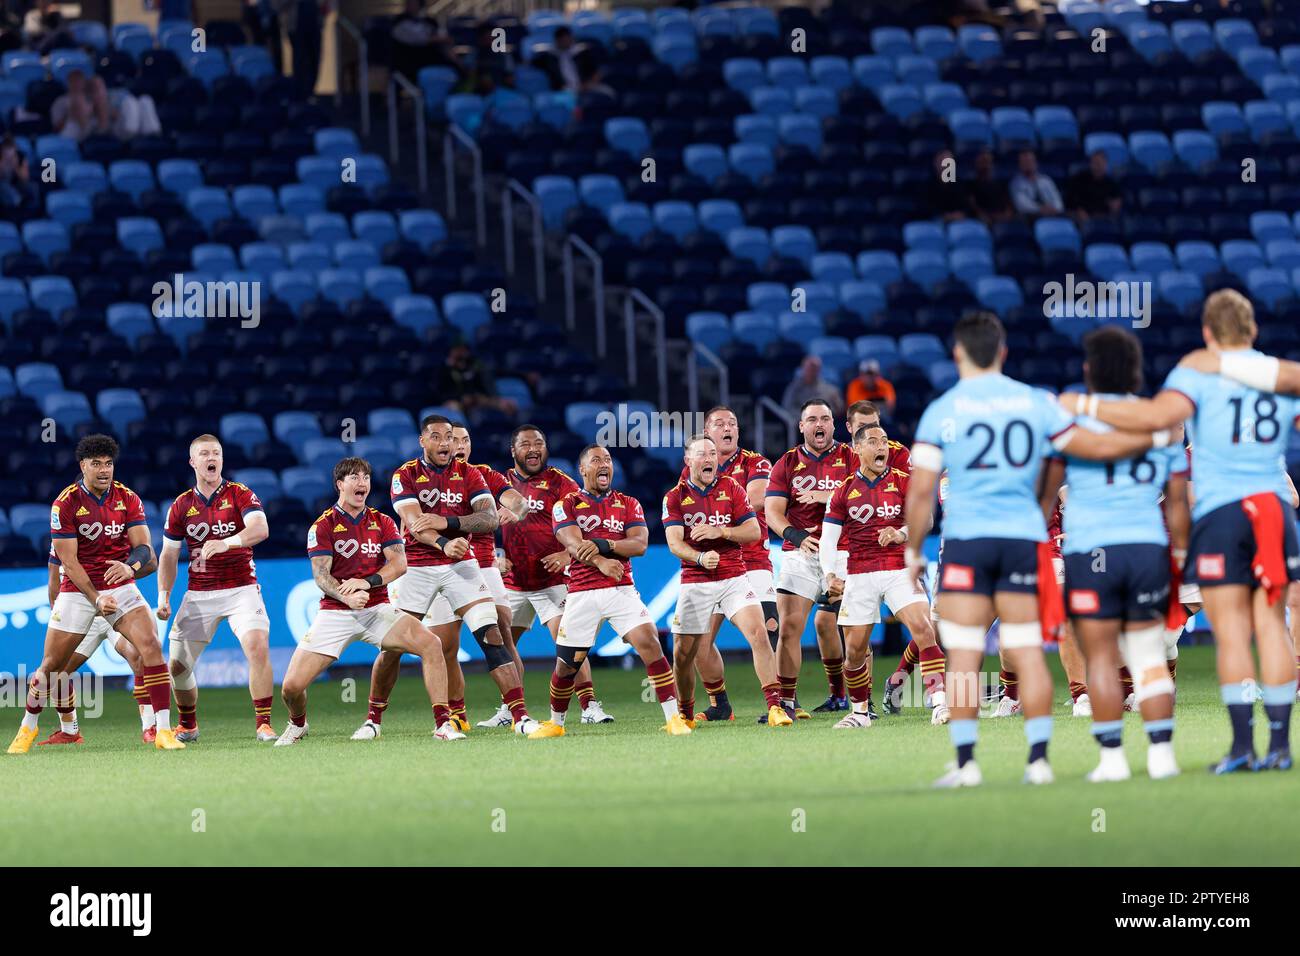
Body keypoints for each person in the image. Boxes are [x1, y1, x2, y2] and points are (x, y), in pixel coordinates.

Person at [904, 312, 1176, 788]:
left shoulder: (941, 410)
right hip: (1023, 539)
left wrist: (912, 553)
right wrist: (1154, 439)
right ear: (1004, 352)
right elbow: (1088, 447)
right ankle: (1039, 761)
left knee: (965, 654)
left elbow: (922, 492)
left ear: (958, 354)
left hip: (968, 541)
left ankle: (967, 765)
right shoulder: (1036, 402)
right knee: (1028, 649)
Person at [1067, 290, 1299, 772]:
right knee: (1273, 627)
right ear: (1253, 330)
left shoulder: (1193, 371)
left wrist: (1084, 404)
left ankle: (1240, 748)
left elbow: (1154, 419)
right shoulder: (1282, 374)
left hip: (1220, 513)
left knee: (1232, 634)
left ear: (1208, 333)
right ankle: (1279, 746)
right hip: (1273, 508)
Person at [1040, 327, 1189, 782]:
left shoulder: (1069, 421)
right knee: (1147, 653)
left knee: (1102, 656)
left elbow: (1046, 497)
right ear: (1136, 370)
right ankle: (1162, 755)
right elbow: (1178, 501)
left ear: (1089, 370)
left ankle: (1111, 760)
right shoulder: (1160, 421)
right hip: (1147, 547)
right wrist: (1180, 554)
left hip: (1091, 552)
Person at [9, 434, 183, 753]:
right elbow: (68, 563)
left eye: (109, 463)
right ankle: (27, 728)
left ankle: (162, 730)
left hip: (120, 587)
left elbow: (146, 551)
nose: (104, 470)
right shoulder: (65, 503)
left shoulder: (128, 498)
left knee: (150, 648)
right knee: (50, 666)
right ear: (83, 466)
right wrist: (96, 598)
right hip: (78, 590)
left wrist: (130, 567)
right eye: (96, 464)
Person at [373, 414, 541, 736]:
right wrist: (442, 540)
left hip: (472, 563)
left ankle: (518, 714)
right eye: (439, 437)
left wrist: (447, 522)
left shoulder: (478, 475)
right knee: (421, 646)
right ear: (423, 441)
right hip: (421, 567)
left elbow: (501, 513)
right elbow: (416, 522)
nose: (450, 444)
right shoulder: (405, 475)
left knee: (497, 631)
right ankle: (381, 718)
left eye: (455, 439)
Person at [276, 457, 463, 745]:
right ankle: (298, 724)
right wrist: (345, 596)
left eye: (365, 477)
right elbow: (321, 575)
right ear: (340, 485)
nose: (361, 482)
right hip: (336, 612)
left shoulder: (383, 521)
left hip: (377, 609)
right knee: (290, 688)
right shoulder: (323, 525)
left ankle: (443, 723)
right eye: (353, 477)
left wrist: (367, 583)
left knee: (431, 644)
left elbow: (399, 564)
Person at [528, 444, 693, 738]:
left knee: (650, 643)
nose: (604, 464)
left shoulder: (629, 503)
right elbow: (572, 542)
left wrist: (606, 546)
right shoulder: (565, 504)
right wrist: (602, 562)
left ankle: (673, 719)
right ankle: (556, 723)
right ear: (582, 469)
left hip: (621, 589)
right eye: (596, 460)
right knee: (567, 665)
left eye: (607, 460)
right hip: (581, 593)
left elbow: (640, 544)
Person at [486, 425, 613, 728]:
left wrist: (567, 555)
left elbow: (587, 527)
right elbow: (480, 524)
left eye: (539, 443)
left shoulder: (561, 483)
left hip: (551, 581)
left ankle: (589, 705)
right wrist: (493, 557)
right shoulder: (499, 484)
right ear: (513, 450)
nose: (533, 449)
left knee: (570, 642)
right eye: (526, 444)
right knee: (502, 645)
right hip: (512, 582)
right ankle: (510, 708)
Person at [821, 423, 943, 728]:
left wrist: (901, 534)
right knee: (854, 651)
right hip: (859, 573)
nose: (882, 447)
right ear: (857, 449)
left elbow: (925, 519)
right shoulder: (844, 490)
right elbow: (828, 539)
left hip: (898, 568)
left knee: (924, 628)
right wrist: (829, 574)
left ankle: (940, 703)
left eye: (885, 441)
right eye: (873, 442)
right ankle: (860, 713)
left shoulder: (904, 481)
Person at [664, 435, 791, 727]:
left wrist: (721, 532)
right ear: (688, 461)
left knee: (759, 634)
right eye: (701, 454)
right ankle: (685, 713)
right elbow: (674, 542)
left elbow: (752, 531)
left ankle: (775, 707)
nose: (709, 458)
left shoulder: (731, 487)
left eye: (711, 453)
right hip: (696, 581)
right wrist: (698, 558)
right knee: (685, 653)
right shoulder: (674, 497)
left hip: (735, 576)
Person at [156, 435, 276, 743]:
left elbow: (261, 529)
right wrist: (164, 596)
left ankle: (263, 723)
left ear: (222, 460)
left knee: (257, 647)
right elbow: (169, 554)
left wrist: (227, 542)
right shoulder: (181, 506)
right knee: (178, 665)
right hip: (200, 593)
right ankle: (188, 724)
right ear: (193, 462)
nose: (212, 458)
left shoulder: (240, 494)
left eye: (217, 453)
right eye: (205, 454)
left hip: (242, 588)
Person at [764, 400, 857, 721]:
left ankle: (858, 699)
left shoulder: (853, 458)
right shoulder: (787, 463)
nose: (820, 424)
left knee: (854, 628)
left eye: (826, 419)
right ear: (801, 426)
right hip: (800, 555)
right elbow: (772, 513)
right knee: (789, 627)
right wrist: (795, 536)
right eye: (812, 419)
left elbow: (869, 496)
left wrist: (827, 496)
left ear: (834, 425)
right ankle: (786, 702)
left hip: (845, 552)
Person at [36, 546, 150, 746]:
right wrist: (59, 614)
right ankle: (69, 731)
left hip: (114, 606)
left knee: (139, 657)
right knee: (57, 672)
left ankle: (150, 727)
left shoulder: (116, 529)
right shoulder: (64, 533)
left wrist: (128, 569)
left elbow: (152, 563)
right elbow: (54, 577)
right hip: (81, 612)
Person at [390, 0, 462, 85]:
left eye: (414, 2)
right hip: (411, 63)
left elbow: (445, 41)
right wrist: (437, 39)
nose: (411, 5)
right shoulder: (399, 22)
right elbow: (418, 39)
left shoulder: (429, 22)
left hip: (436, 61)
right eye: (409, 2)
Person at [436, 342, 518, 416]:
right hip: (455, 401)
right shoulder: (443, 369)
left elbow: (482, 385)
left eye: (464, 350)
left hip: (476, 399)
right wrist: (459, 398)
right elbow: (441, 391)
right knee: (455, 408)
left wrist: (479, 397)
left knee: (507, 405)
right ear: (452, 352)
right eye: (458, 350)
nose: (461, 353)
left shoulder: (474, 365)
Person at [50, 69, 113, 143]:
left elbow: (102, 116)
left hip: (92, 130)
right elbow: (56, 128)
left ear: (84, 82)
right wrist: (71, 114)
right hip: (71, 131)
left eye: (79, 81)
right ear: (68, 83)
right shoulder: (60, 101)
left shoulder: (91, 98)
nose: (76, 84)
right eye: (73, 81)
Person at [1066, 149, 1123, 221]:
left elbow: (1117, 200)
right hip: (1082, 217)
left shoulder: (1112, 183)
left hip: (1104, 218)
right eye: (1095, 163)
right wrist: (1078, 211)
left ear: (1106, 164)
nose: (1097, 167)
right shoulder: (1079, 180)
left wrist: (1115, 205)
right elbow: (1070, 201)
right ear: (1090, 163)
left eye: (1100, 163)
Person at [1009, 149, 1064, 219]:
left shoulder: (1046, 180)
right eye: (1025, 162)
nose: (1028, 164)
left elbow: (1058, 201)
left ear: (1035, 162)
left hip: (1052, 214)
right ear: (1019, 164)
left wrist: (1055, 208)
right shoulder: (1016, 183)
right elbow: (1022, 205)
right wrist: (1040, 209)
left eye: (1030, 161)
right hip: (1030, 217)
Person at [966, 148, 1014, 224]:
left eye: (988, 161)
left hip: (1002, 217)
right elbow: (972, 204)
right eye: (983, 161)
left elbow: (1008, 203)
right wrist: (983, 216)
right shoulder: (971, 184)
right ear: (977, 163)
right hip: (982, 219)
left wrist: (1006, 214)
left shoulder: (1001, 183)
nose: (986, 164)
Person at [922, 148, 967, 222]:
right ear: (935, 163)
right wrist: (944, 215)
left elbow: (964, 204)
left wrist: (960, 213)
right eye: (942, 161)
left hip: (956, 220)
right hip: (935, 219)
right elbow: (925, 207)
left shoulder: (958, 183)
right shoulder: (927, 184)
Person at [0, 136, 38, 213]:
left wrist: (16, 166)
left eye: (11, 148)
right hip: (3, 183)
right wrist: (3, 164)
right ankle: (17, 202)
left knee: (33, 187)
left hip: (16, 182)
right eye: (6, 149)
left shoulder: (21, 156)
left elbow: (25, 178)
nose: (8, 153)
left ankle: (35, 211)